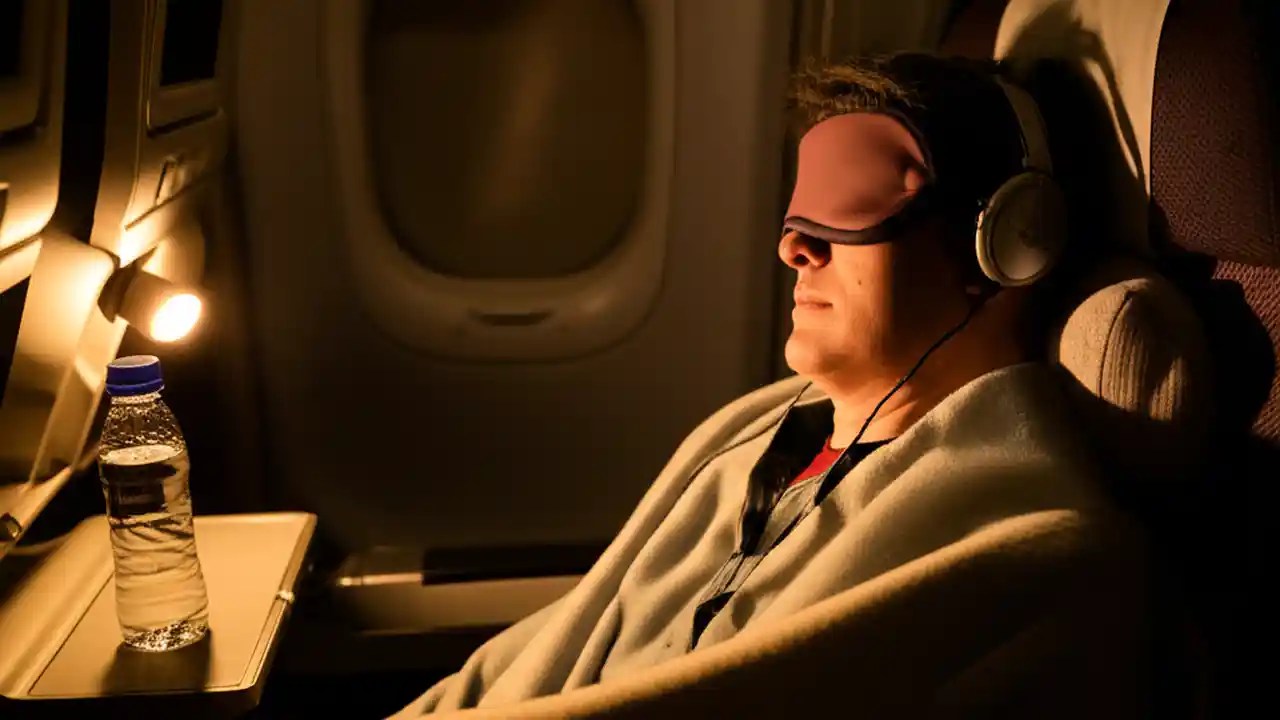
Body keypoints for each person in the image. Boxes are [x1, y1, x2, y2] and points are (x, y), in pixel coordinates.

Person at [393, 53, 1149, 718]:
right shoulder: (751, 441)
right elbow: (570, 634)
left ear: (1008, 242)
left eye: (853, 201)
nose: (793, 245)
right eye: (800, 207)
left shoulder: (1019, 556)